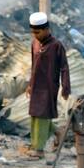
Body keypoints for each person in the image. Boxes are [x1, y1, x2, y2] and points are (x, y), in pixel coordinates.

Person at [25, 12, 69, 156]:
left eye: (37, 32)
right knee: (35, 115)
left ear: (46, 29)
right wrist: (30, 84)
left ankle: (39, 149)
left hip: (49, 86)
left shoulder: (56, 45)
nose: (35, 35)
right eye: (33, 32)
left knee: (43, 116)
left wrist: (65, 87)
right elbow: (33, 65)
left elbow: (64, 67)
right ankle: (58, 132)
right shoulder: (34, 44)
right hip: (37, 85)